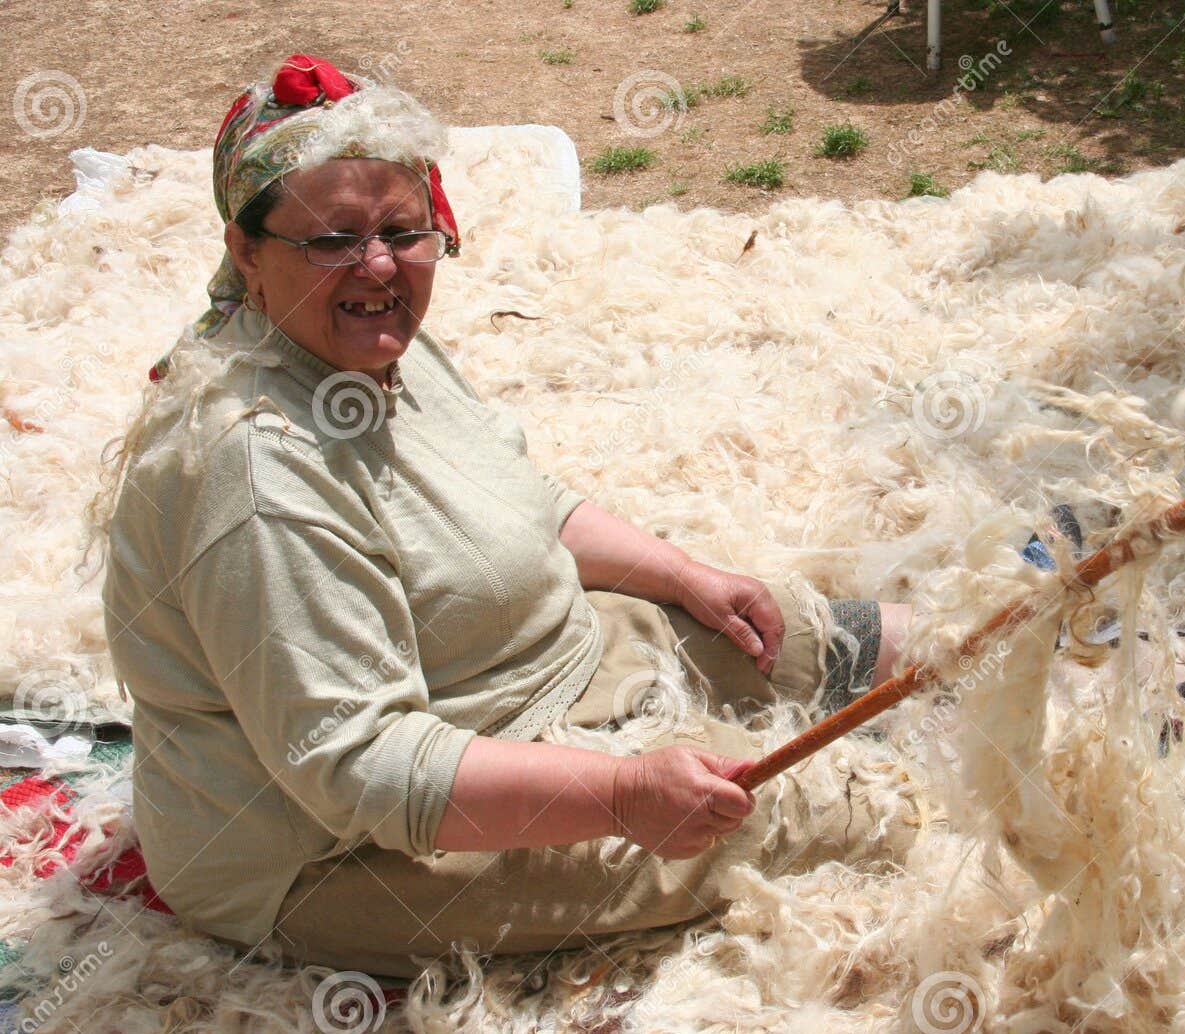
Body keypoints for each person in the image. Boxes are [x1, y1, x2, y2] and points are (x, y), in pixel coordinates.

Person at [98, 55, 916, 980]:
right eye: (332, 239)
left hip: (540, 665)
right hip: (353, 841)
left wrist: (685, 576)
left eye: (402, 231)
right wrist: (619, 793)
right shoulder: (252, 472)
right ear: (246, 250)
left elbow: (526, 501)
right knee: (828, 812)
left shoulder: (364, 340)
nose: (376, 266)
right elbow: (366, 765)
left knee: (840, 644)